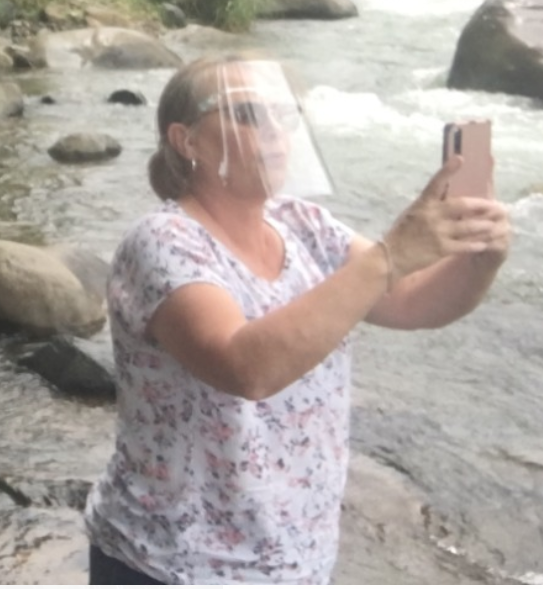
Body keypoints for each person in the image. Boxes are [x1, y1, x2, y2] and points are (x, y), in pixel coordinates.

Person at [84, 56, 510, 585]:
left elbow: (411, 304)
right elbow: (245, 367)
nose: (274, 132)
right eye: (245, 113)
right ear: (186, 140)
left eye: (283, 114)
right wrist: (390, 256)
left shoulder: (303, 223)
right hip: (174, 562)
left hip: (293, 558)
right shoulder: (162, 242)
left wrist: (479, 257)